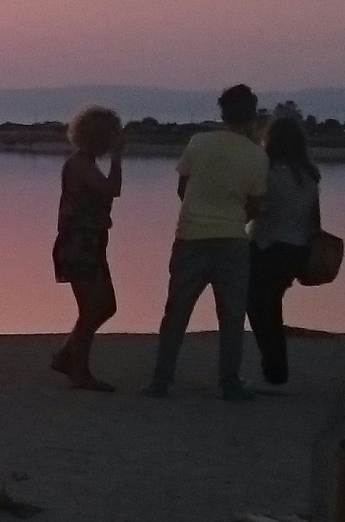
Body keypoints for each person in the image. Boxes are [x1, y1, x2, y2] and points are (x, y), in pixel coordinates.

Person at [148, 84, 268, 400]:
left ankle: (161, 378)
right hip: (231, 240)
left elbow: (182, 189)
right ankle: (229, 380)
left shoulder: (198, 143)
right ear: (253, 115)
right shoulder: (258, 156)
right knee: (231, 314)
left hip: (190, 237)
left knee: (176, 312)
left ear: (222, 111)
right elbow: (256, 205)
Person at [242, 105, 322, 388]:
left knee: (260, 308)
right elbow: (315, 219)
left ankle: (274, 373)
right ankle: (275, 371)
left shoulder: (270, 172)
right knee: (271, 307)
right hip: (296, 249)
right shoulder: (310, 176)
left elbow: (257, 209)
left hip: (268, 247)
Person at [50, 105, 124, 390]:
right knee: (93, 308)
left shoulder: (85, 163)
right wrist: (117, 159)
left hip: (91, 243)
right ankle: (78, 370)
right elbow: (111, 190)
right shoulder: (80, 164)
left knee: (104, 306)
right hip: (79, 245)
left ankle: (66, 356)